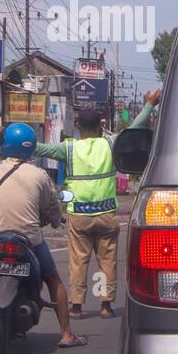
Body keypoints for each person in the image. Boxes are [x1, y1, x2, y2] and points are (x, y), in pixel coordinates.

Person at [30, 90, 159, 319]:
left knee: (79, 261)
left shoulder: (68, 148)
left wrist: (7, 138)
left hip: (79, 217)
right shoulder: (110, 144)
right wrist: (149, 104)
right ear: (101, 125)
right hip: (107, 216)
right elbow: (134, 129)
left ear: (77, 125)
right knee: (106, 262)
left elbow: (38, 148)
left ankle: (77, 306)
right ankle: (106, 306)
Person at [0, 123, 86, 349]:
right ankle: (67, 335)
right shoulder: (40, 175)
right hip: (30, 240)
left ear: (5, 144)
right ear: (31, 147)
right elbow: (52, 209)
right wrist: (55, 220)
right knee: (53, 279)